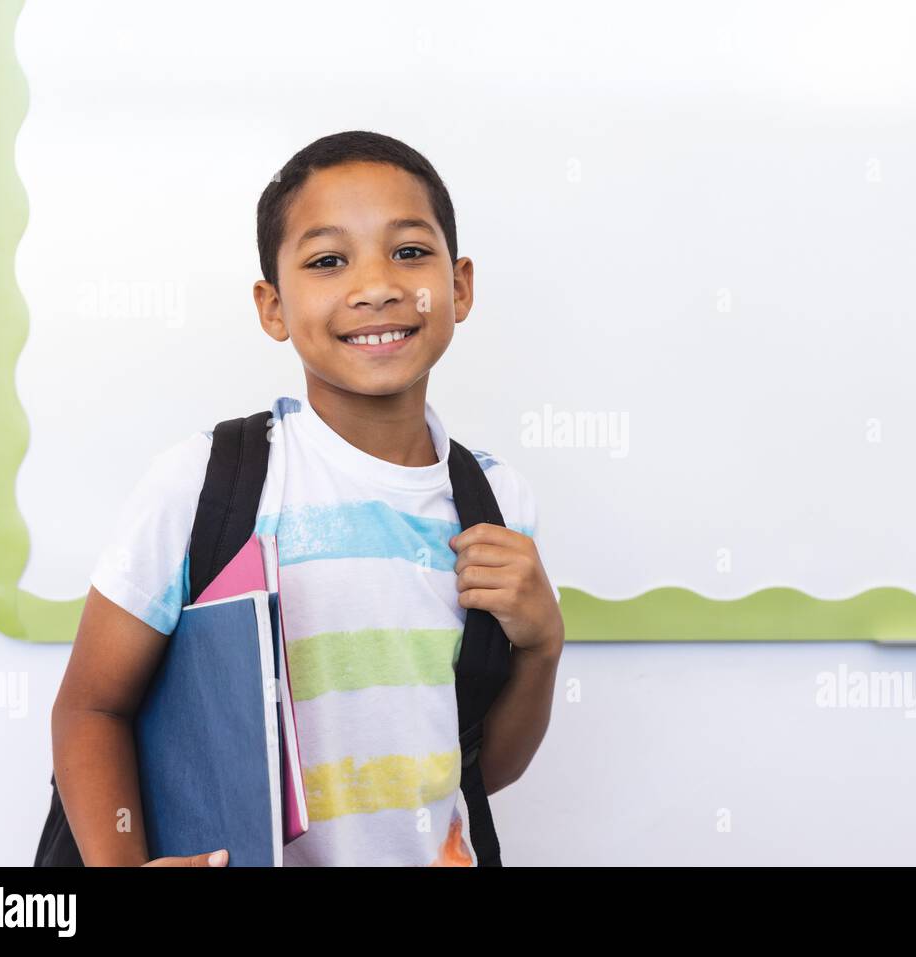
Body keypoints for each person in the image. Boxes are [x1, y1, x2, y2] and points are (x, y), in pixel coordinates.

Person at [50, 131, 564, 866]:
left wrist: (543, 643)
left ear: (459, 287)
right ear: (273, 306)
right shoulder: (204, 481)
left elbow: (488, 767)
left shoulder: (496, 501)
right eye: (328, 261)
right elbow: (91, 707)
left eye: (410, 252)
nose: (376, 285)